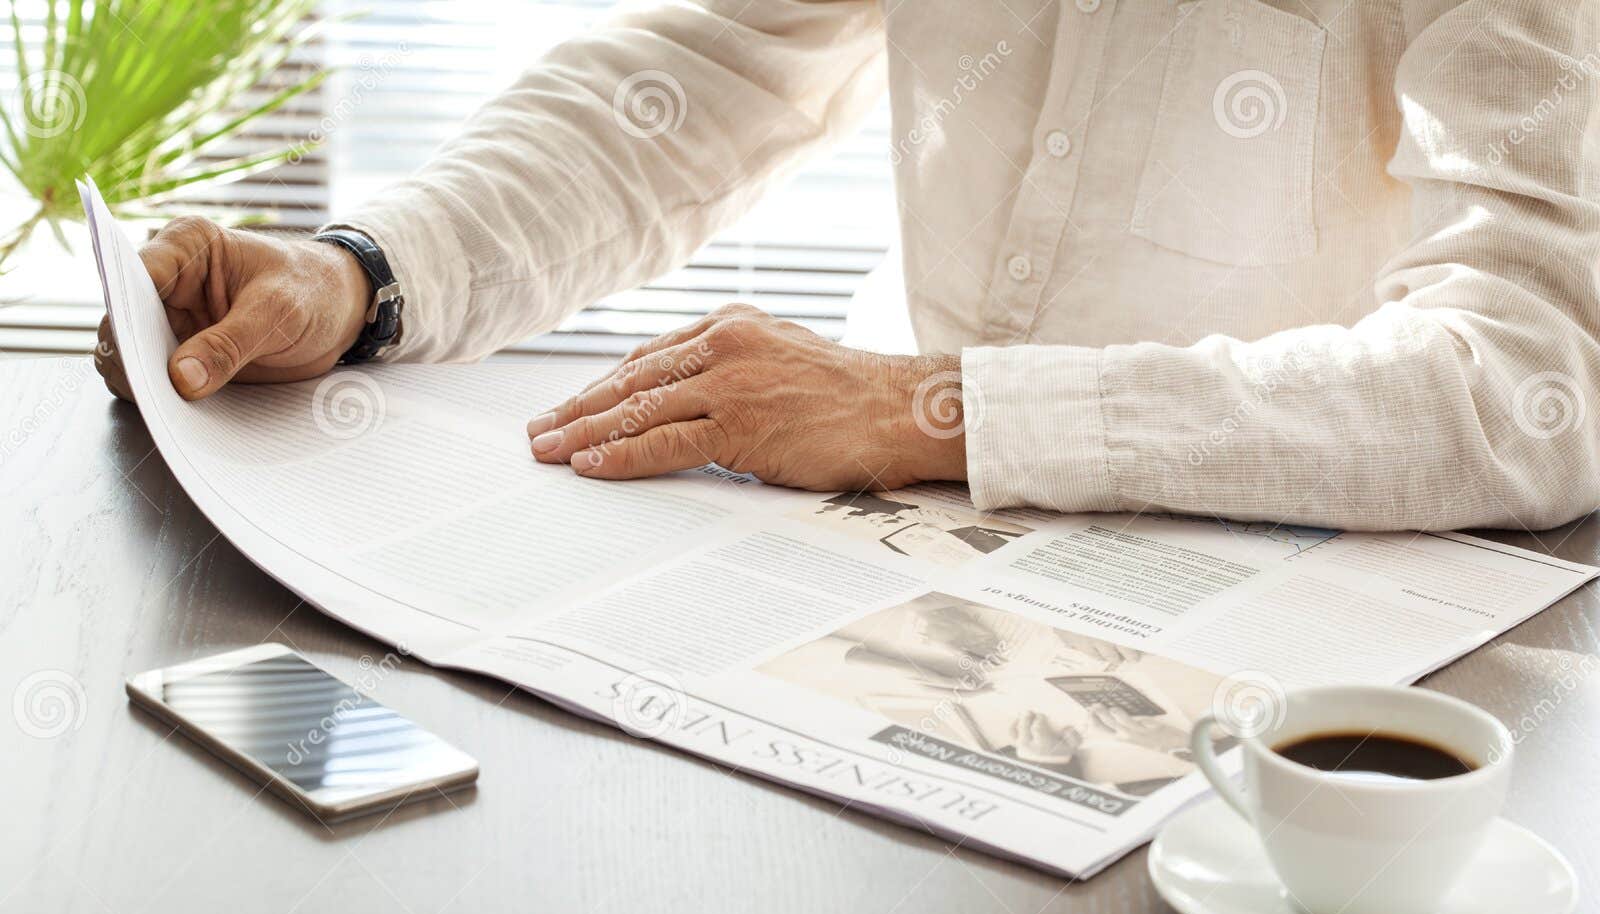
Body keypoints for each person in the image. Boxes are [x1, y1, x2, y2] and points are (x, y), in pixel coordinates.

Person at [93, 1, 1600, 531]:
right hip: (874, 572)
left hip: (1277, 642)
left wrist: (936, 409)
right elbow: (711, 75)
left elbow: (1533, 377)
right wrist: (364, 274)